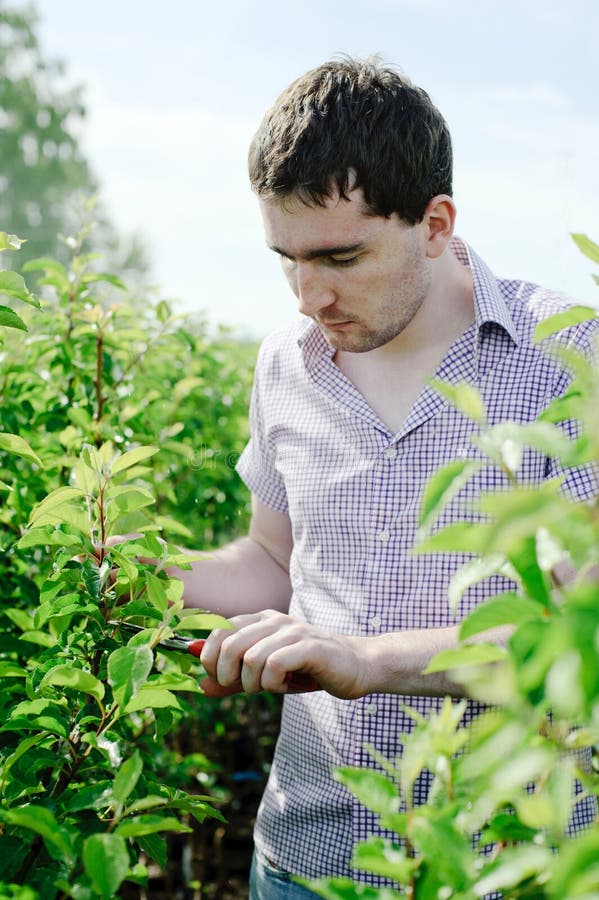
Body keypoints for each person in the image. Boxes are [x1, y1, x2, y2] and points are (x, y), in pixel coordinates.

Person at [172, 57, 598, 896]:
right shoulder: (285, 365)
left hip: (508, 864)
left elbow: (577, 635)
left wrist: (364, 659)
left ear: (435, 223)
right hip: (305, 856)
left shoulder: (570, 357)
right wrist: (131, 574)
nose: (306, 294)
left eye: (339, 256)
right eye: (285, 259)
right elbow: (272, 560)